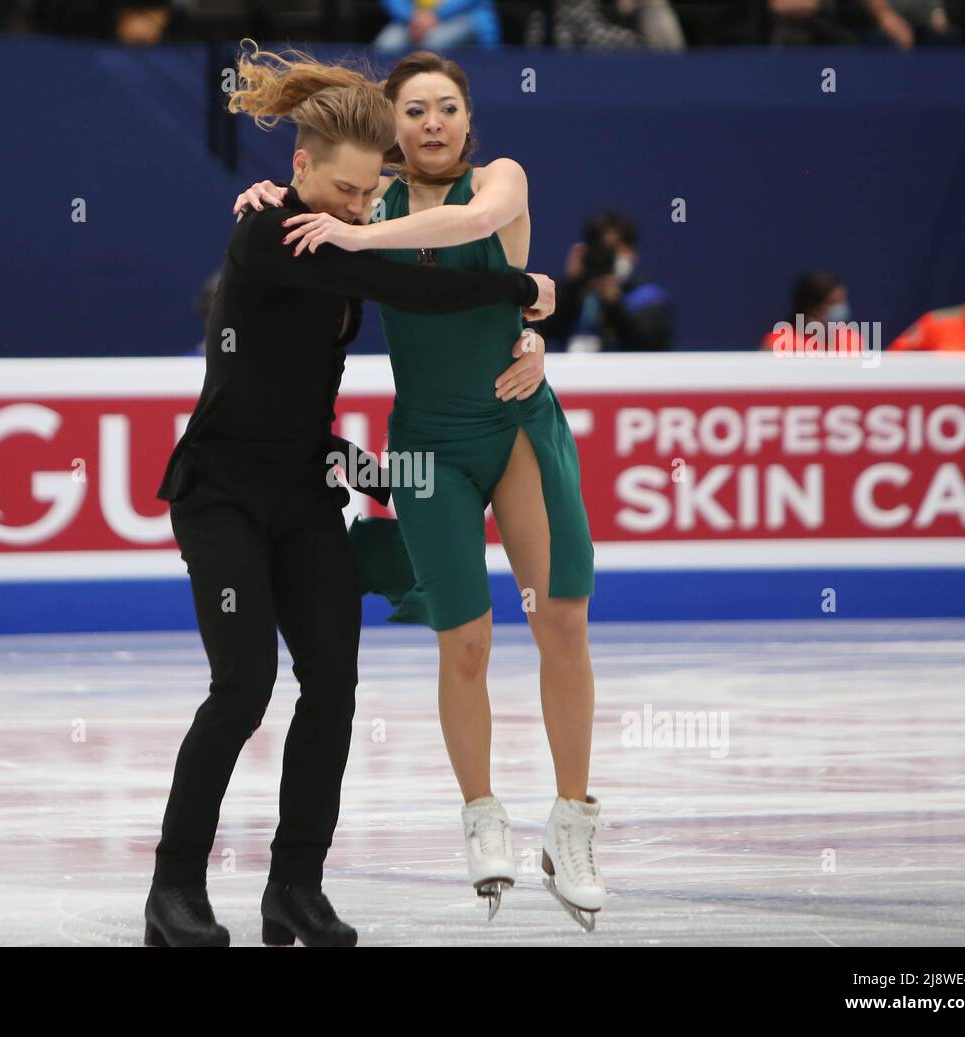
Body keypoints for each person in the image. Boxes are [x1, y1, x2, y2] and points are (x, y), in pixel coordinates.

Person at [147, 42, 555, 948]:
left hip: (302, 491)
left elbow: (363, 303)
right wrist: (521, 287)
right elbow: (389, 275)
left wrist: (374, 474)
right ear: (298, 169)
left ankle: (295, 887)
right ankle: (174, 889)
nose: (358, 209)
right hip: (220, 494)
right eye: (342, 192)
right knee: (244, 684)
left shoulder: (335, 231)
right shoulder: (268, 232)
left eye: (372, 195)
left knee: (332, 682)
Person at [232, 50, 605, 929]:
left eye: (447, 107)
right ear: (393, 127)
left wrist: (359, 239)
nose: (432, 121)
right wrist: (262, 197)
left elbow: (478, 221)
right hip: (430, 445)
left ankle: (574, 818)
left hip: (516, 425)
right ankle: (482, 814)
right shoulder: (372, 199)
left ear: (469, 121)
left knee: (559, 617)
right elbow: (303, 210)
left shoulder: (497, 182)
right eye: (415, 110)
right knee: (465, 640)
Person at [535, 210, 673, 352]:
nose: (607, 257)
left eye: (615, 249)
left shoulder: (649, 297)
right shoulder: (573, 292)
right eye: (600, 249)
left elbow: (651, 347)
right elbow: (540, 333)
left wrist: (613, 304)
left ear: (632, 252)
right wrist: (570, 285)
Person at [760, 271, 862, 355]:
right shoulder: (779, 342)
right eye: (833, 302)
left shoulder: (852, 340)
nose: (840, 307)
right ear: (811, 306)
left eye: (842, 300)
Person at [373, 0, 502, 53]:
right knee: (387, 43)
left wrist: (436, 15)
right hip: (412, 20)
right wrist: (412, 17)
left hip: (462, 18)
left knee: (433, 42)